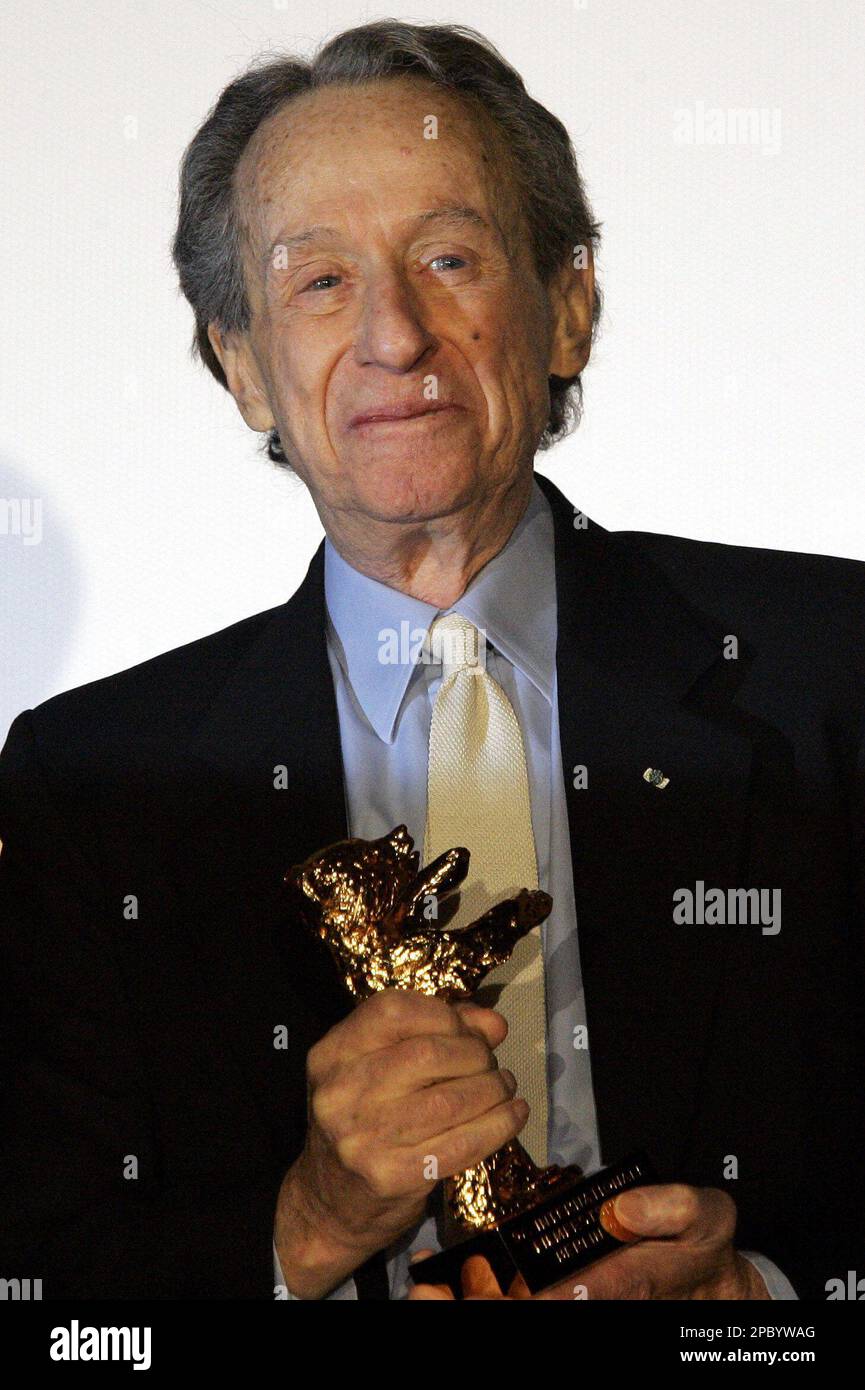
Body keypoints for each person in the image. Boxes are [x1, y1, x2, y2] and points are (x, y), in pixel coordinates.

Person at [1, 20, 862, 1302]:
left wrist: (764, 1311)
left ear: (567, 305)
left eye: (447, 258)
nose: (394, 337)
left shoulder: (834, 673)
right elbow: (53, 1313)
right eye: (318, 282)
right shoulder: (85, 787)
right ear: (242, 365)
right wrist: (300, 1231)